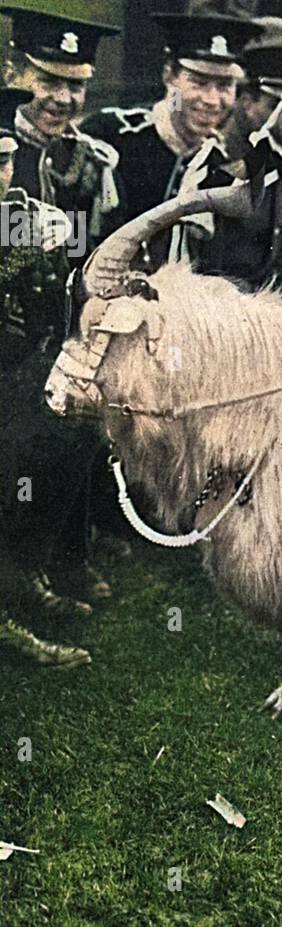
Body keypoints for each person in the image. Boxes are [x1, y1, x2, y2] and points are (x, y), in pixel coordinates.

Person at [0, 85, 101, 662]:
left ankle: (21, 575)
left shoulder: (22, 220)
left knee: (73, 419)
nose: (0, 174)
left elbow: (48, 322)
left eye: (4, 159)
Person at [81, 13, 262, 269]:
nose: (212, 100)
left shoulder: (220, 168)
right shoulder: (113, 135)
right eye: (198, 82)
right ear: (169, 76)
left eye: (224, 86)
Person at [202, 43, 282, 293]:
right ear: (247, 102)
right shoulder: (220, 160)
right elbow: (208, 267)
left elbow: (281, 248)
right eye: (277, 107)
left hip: (267, 294)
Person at [1, 7, 121, 260]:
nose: (64, 99)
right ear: (11, 76)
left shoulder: (88, 161)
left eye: (76, 85)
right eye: (49, 82)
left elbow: (85, 254)